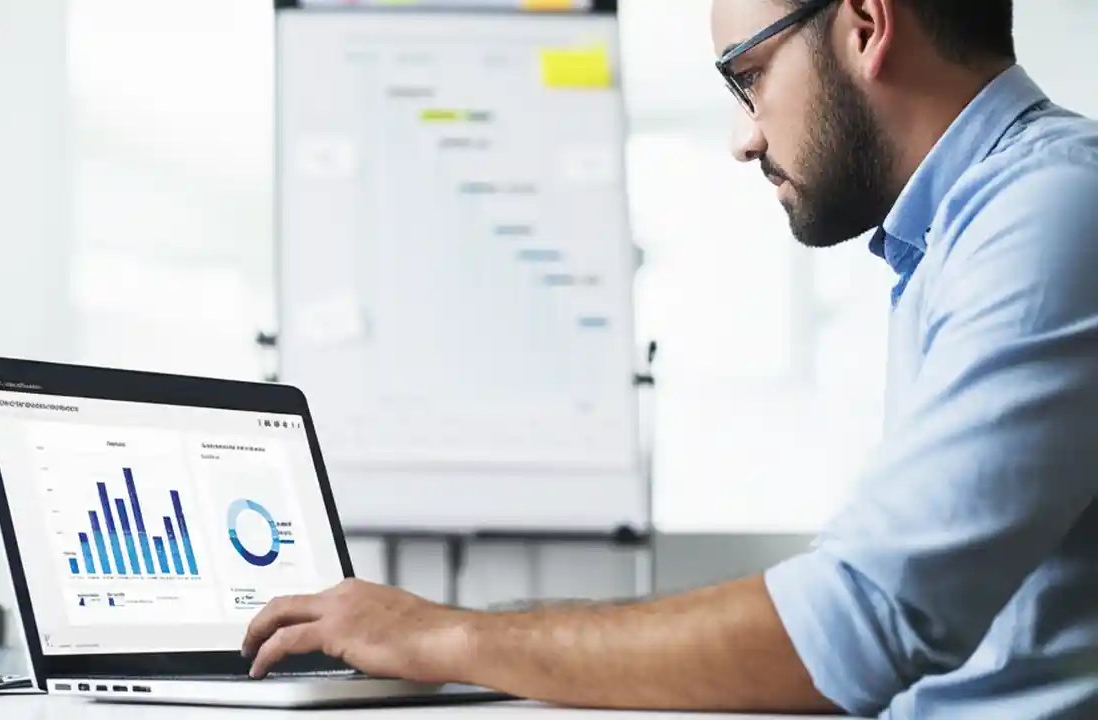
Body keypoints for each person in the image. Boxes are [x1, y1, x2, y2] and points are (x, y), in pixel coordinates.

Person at [242, 1, 1098, 716]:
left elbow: (861, 622)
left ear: (868, 24)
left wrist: (440, 638)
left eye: (748, 76)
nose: (743, 139)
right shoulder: (967, 229)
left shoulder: (1050, 210)